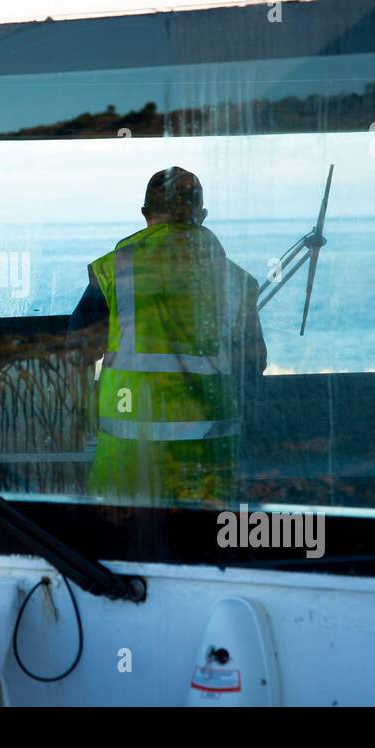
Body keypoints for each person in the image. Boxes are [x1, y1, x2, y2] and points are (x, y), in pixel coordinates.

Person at [68, 167, 266, 505]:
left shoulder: (115, 270)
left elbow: (76, 351)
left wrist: (80, 420)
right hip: (208, 463)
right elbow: (252, 364)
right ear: (201, 216)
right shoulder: (236, 280)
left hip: (129, 462)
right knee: (201, 551)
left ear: (145, 215)